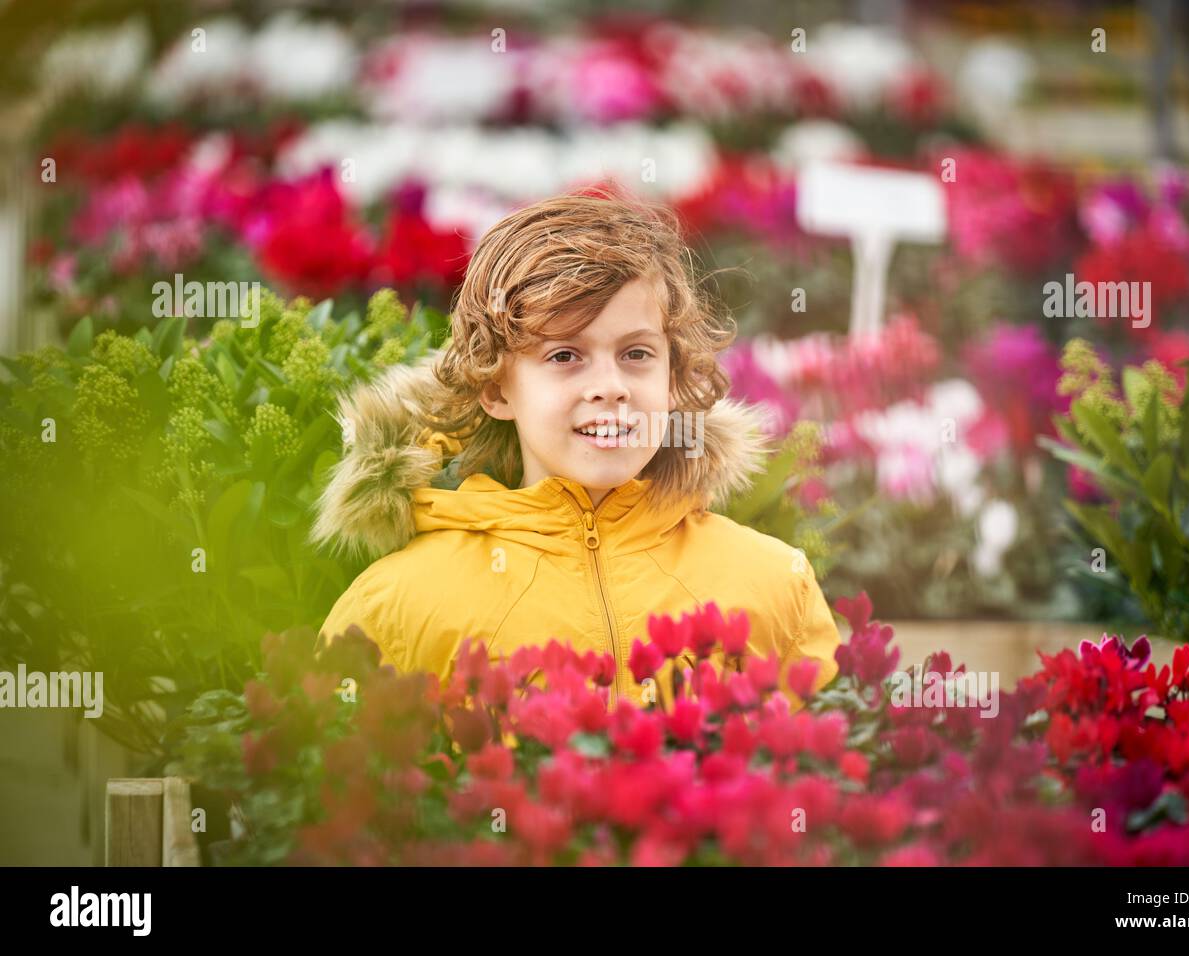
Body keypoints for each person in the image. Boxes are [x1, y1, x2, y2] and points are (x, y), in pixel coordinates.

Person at [313, 188, 841, 710]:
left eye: (636, 353)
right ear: (496, 389)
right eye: (565, 355)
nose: (610, 386)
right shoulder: (395, 604)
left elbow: (834, 771)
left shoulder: (773, 582)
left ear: (675, 375)